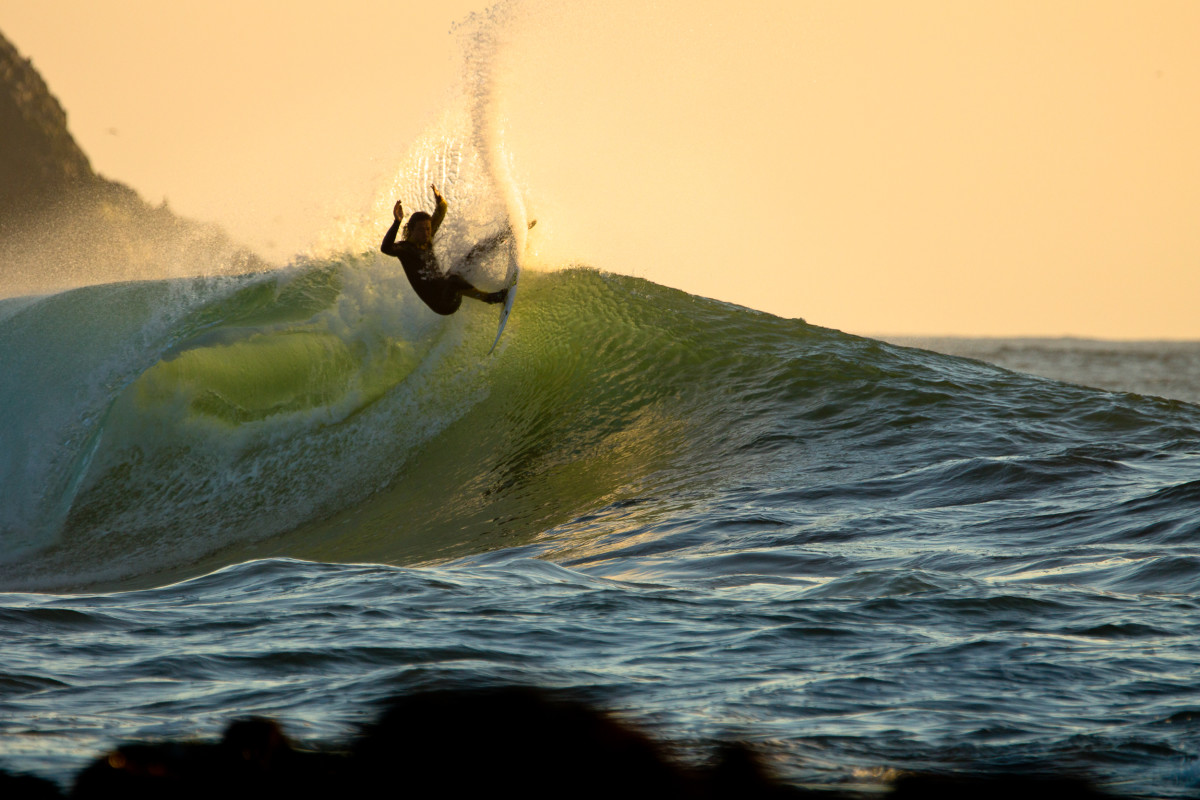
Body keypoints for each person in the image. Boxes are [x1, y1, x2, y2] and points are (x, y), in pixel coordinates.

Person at [381, 184, 510, 316]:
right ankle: (491, 298)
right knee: (453, 279)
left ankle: (506, 234)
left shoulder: (427, 237)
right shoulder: (406, 250)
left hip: (449, 289)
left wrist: (440, 200)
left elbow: (441, 211)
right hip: (443, 304)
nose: (426, 233)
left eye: (428, 228)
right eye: (421, 229)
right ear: (411, 230)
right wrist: (397, 222)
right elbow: (386, 248)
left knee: (472, 254)